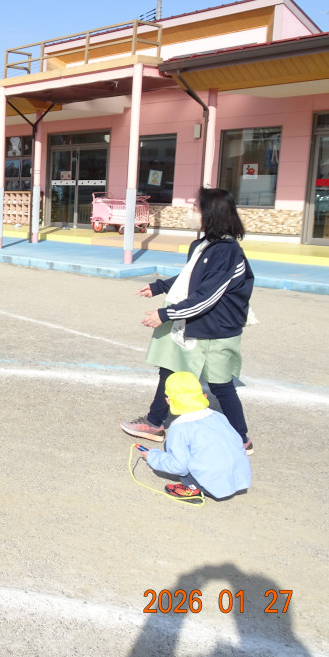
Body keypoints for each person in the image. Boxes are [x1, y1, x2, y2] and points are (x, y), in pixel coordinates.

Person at [121, 187, 255, 455]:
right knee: (169, 368)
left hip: (214, 329)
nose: (191, 213)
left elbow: (208, 296)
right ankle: (154, 422)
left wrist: (164, 314)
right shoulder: (204, 244)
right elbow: (189, 277)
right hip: (194, 322)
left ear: (211, 213)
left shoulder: (227, 251)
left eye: (195, 208)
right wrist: (159, 287)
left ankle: (241, 439)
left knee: (220, 385)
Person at [135, 371, 251, 501]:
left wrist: (153, 456)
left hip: (213, 484)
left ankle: (192, 487)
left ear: (168, 401)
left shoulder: (179, 427)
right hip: (240, 477)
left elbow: (178, 466)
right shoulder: (218, 416)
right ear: (204, 396)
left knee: (172, 447)